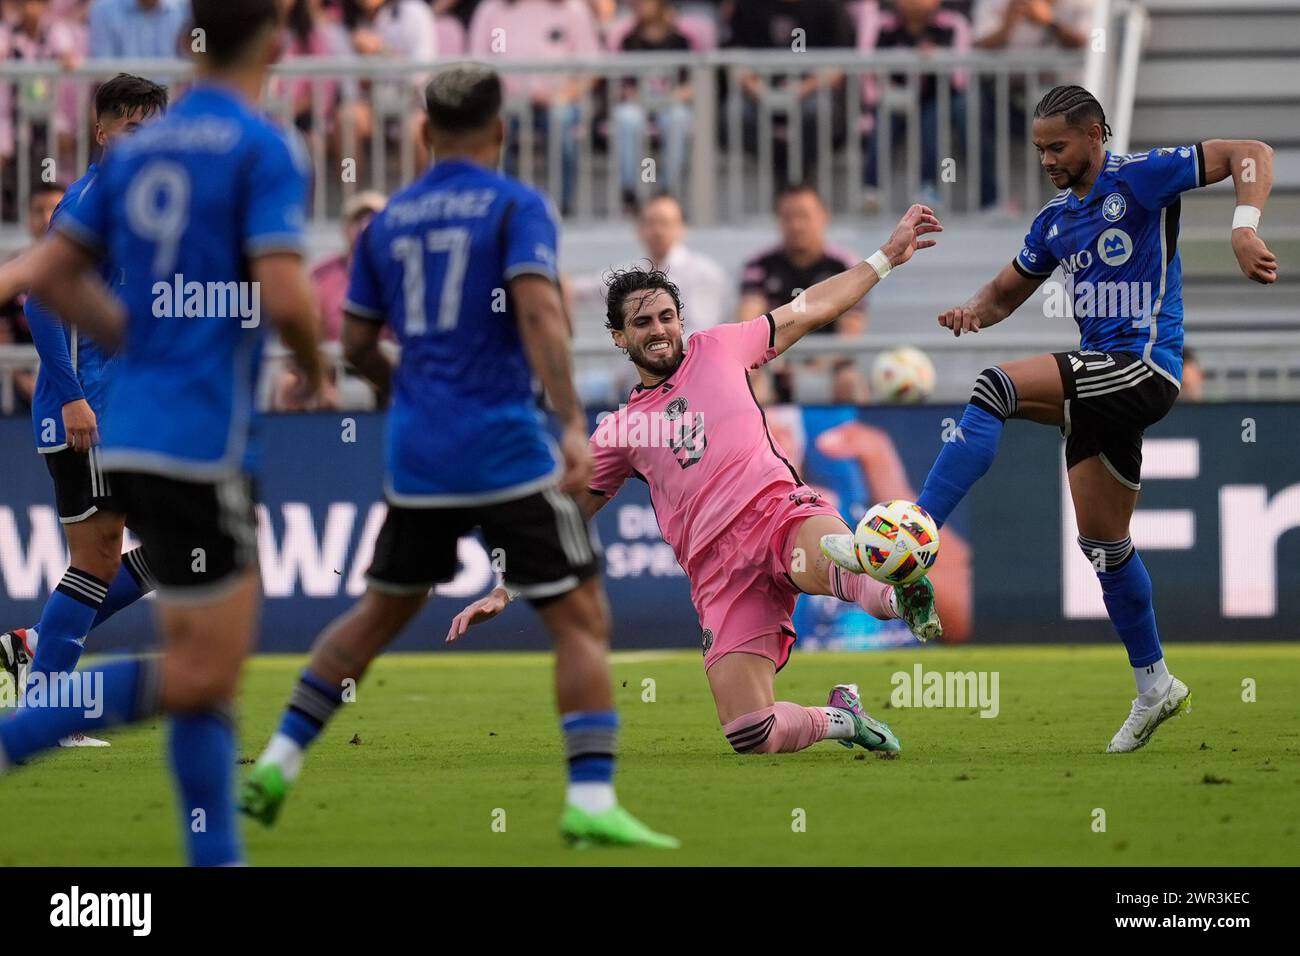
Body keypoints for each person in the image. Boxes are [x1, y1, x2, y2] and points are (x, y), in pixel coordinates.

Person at [242, 65, 677, 850]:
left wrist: (404, 387)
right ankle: (589, 796)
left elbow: (360, 343)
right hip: (503, 446)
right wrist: (573, 423)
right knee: (581, 618)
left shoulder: (388, 222)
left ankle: (277, 760)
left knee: (379, 613)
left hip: (418, 453)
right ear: (502, 131)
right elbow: (541, 311)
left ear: (423, 134)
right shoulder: (516, 206)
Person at [824, 85, 1278, 753]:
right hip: (1101, 384)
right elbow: (1008, 290)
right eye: (1039, 149)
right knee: (1105, 545)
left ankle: (914, 538)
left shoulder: (1143, 178)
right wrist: (971, 310)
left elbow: (1252, 151)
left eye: (1057, 147)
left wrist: (1244, 226)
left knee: (996, 387)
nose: (1047, 160)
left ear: (1096, 135)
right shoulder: (1056, 220)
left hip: (1142, 365)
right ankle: (1156, 685)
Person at [0, 0, 324, 867]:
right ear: (276, 45)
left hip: (132, 422)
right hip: (191, 434)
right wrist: (317, 368)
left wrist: (128, 339)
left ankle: (209, 852)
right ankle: (30, 718)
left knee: (154, 610)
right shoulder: (259, 149)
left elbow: (38, 276)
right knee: (204, 666)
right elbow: (288, 294)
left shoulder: (143, 162)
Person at [449, 204, 946, 758]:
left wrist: (885, 258)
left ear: (680, 320)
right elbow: (566, 515)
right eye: (641, 323)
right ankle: (843, 717)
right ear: (618, 337)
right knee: (750, 733)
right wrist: (505, 587)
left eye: (666, 316)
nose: (658, 330)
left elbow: (810, 308)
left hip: (778, 516)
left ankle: (899, 593)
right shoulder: (620, 431)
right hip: (718, 573)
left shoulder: (721, 349)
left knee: (835, 562)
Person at [0, 75, 169, 753]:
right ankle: (44, 702)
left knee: (189, 550)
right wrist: (70, 393)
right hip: (88, 411)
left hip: (132, 412)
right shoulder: (94, 199)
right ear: (101, 132)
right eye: (131, 128)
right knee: (99, 554)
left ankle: (35, 650)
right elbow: (41, 297)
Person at [738, 182, 866, 402]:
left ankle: (849, 437)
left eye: (804, 215)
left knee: (850, 382)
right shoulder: (759, 265)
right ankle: (760, 437)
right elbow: (748, 326)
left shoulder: (846, 267)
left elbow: (850, 335)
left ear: (824, 216)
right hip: (775, 363)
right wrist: (776, 364)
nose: (796, 225)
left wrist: (816, 368)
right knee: (751, 383)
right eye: (788, 217)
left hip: (829, 366)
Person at [613, 0, 693, 210]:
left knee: (678, 118)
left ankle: (669, 189)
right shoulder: (629, 40)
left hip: (671, 103)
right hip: (639, 103)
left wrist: (672, 97)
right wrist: (642, 99)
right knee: (627, 118)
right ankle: (631, 190)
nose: (639, 6)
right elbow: (625, 84)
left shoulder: (680, 41)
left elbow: (690, 83)